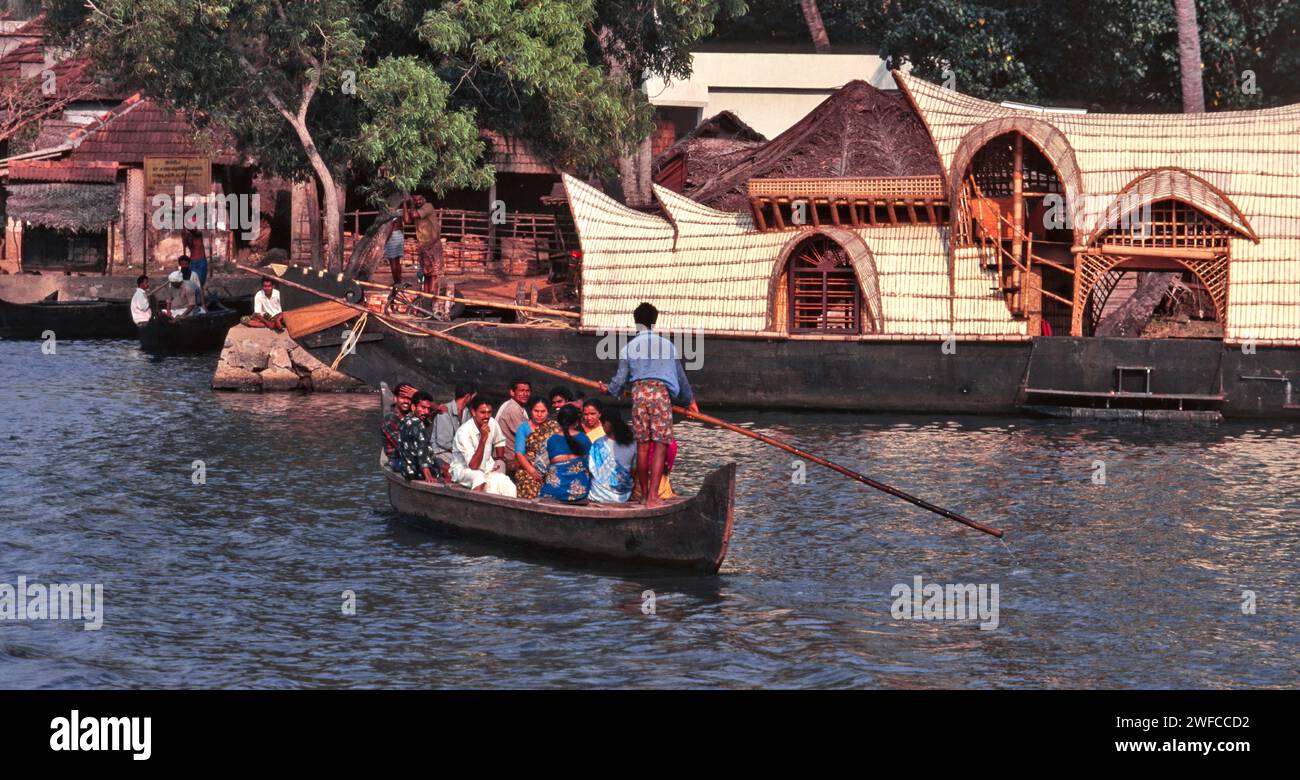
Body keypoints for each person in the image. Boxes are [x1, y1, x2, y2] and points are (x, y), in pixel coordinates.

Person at [600, 301, 698, 508]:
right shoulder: (668, 346)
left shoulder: (629, 348)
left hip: (639, 395)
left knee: (643, 447)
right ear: (655, 322)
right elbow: (680, 378)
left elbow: (619, 381)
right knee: (660, 445)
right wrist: (690, 401)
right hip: (660, 395)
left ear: (636, 323)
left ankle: (644, 496)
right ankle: (653, 497)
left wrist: (608, 390)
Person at [450, 399, 516, 496]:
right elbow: (473, 466)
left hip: (487, 469)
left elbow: (500, 441)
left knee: (508, 485)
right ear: (473, 412)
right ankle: (474, 508)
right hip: (464, 470)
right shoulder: (463, 432)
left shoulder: (492, 423)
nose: (486, 416)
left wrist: (499, 460)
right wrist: (483, 439)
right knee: (479, 477)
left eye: (489, 412)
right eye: (482, 412)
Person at [540, 405, 591, 503]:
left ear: (558, 421)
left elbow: (540, 467)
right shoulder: (585, 438)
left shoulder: (551, 440)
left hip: (554, 493)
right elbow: (591, 466)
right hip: (580, 493)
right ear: (577, 422)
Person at [512, 397, 559, 499]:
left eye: (543, 411)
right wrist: (532, 471)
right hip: (529, 467)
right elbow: (519, 453)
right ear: (531, 411)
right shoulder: (523, 427)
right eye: (536, 411)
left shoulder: (554, 426)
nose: (539, 414)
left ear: (548, 412)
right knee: (529, 488)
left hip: (551, 467)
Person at [587, 407, 637, 503]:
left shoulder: (598, 444)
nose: (602, 426)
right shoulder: (633, 443)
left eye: (602, 423)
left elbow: (591, 471)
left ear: (607, 423)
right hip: (624, 495)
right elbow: (634, 471)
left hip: (598, 495)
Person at [431, 383, 476, 476]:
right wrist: (465, 452)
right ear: (467, 397)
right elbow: (443, 442)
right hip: (441, 452)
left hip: (458, 452)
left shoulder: (466, 412)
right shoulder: (444, 411)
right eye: (473, 397)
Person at [397, 391, 441, 483]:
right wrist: (428, 475)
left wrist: (435, 412)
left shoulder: (406, 420)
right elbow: (422, 448)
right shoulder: (417, 423)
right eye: (423, 407)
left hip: (406, 471)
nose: (426, 412)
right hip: (418, 473)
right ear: (413, 407)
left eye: (428, 409)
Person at [408, 194, 445, 295]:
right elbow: (407, 219)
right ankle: (426, 297)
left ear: (424, 199)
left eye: (420, 199)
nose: (418, 202)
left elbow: (414, 215)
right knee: (426, 274)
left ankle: (434, 297)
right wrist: (407, 205)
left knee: (435, 274)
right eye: (416, 200)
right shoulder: (416, 210)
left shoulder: (428, 206)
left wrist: (411, 202)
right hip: (424, 247)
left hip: (433, 246)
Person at [494, 378, 531, 471]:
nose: (525, 394)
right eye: (521, 391)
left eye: (527, 391)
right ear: (512, 392)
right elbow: (530, 437)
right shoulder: (513, 409)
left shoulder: (518, 407)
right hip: (509, 460)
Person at [381, 382, 416, 466]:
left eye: (409, 398)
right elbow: (401, 445)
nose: (406, 401)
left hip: (414, 454)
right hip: (397, 459)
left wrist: (418, 395)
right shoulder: (389, 419)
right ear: (395, 398)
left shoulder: (412, 415)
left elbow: (437, 411)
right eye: (403, 398)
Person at [383, 219, 405, 285]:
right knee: (397, 261)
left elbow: (390, 228)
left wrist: (386, 240)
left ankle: (396, 282)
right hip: (399, 235)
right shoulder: (399, 213)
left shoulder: (392, 214)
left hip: (392, 236)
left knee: (392, 262)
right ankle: (399, 281)